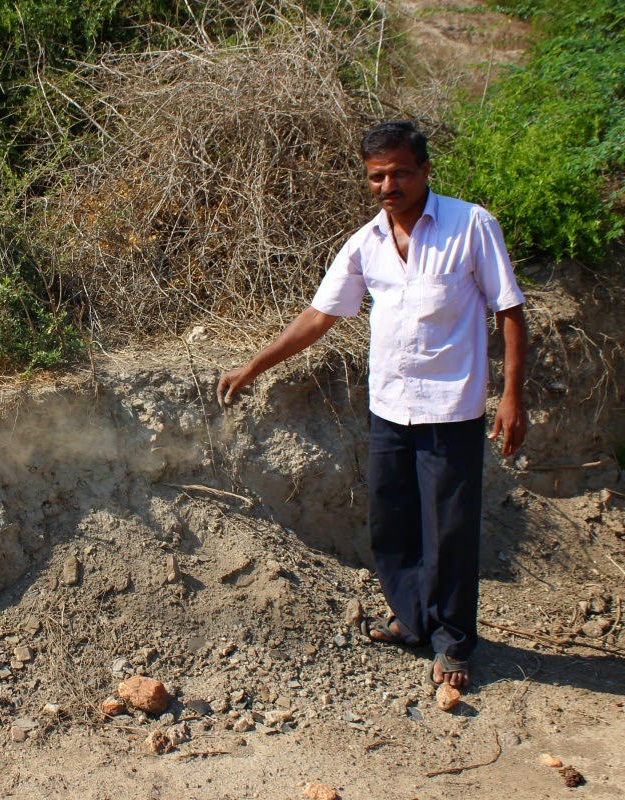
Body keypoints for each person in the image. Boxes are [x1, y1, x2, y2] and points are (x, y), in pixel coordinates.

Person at [216, 120, 527, 687]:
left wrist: (511, 395)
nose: (389, 185)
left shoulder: (471, 226)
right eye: (377, 176)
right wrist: (254, 365)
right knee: (393, 523)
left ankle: (453, 643)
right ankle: (413, 623)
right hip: (389, 409)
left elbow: (509, 310)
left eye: (401, 172)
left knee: (450, 531)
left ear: (425, 171)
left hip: (452, 409)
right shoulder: (367, 244)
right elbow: (320, 316)